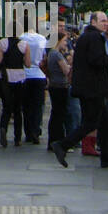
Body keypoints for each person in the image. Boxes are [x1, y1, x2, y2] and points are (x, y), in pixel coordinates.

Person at [50, 11, 108, 170]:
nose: (105, 23)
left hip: (87, 87)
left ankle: (107, 156)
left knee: (104, 123)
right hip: (92, 89)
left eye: (106, 21)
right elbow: (96, 60)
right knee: (91, 122)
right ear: (93, 22)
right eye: (102, 21)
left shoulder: (86, 36)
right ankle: (62, 145)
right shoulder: (95, 37)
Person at [0, 29, 28, 147]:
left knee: (6, 107)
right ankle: (17, 138)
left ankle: (3, 127)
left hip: (5, 77)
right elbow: (28, 63)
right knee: (18, 109)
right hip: (19, 77)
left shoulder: (2, 43)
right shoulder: (24, 44)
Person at [46, 17, 73, 148]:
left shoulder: (51, 53)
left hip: (53, 85)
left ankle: (52, 140)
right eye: (64, 41)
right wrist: (71, 65)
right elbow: (66, 70)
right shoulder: (57, 55)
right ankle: (58, 140)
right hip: (60, 86)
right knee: (60, 114)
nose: (66, 44)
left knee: (55, 113)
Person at [20, 26, 48, 143]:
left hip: (25, 75)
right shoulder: (42, 39)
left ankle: (28, 132)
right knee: (38, 105)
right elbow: (44, 57)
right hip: (39, 75)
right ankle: (36, 130)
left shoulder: (21, 38)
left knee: (26, 106)